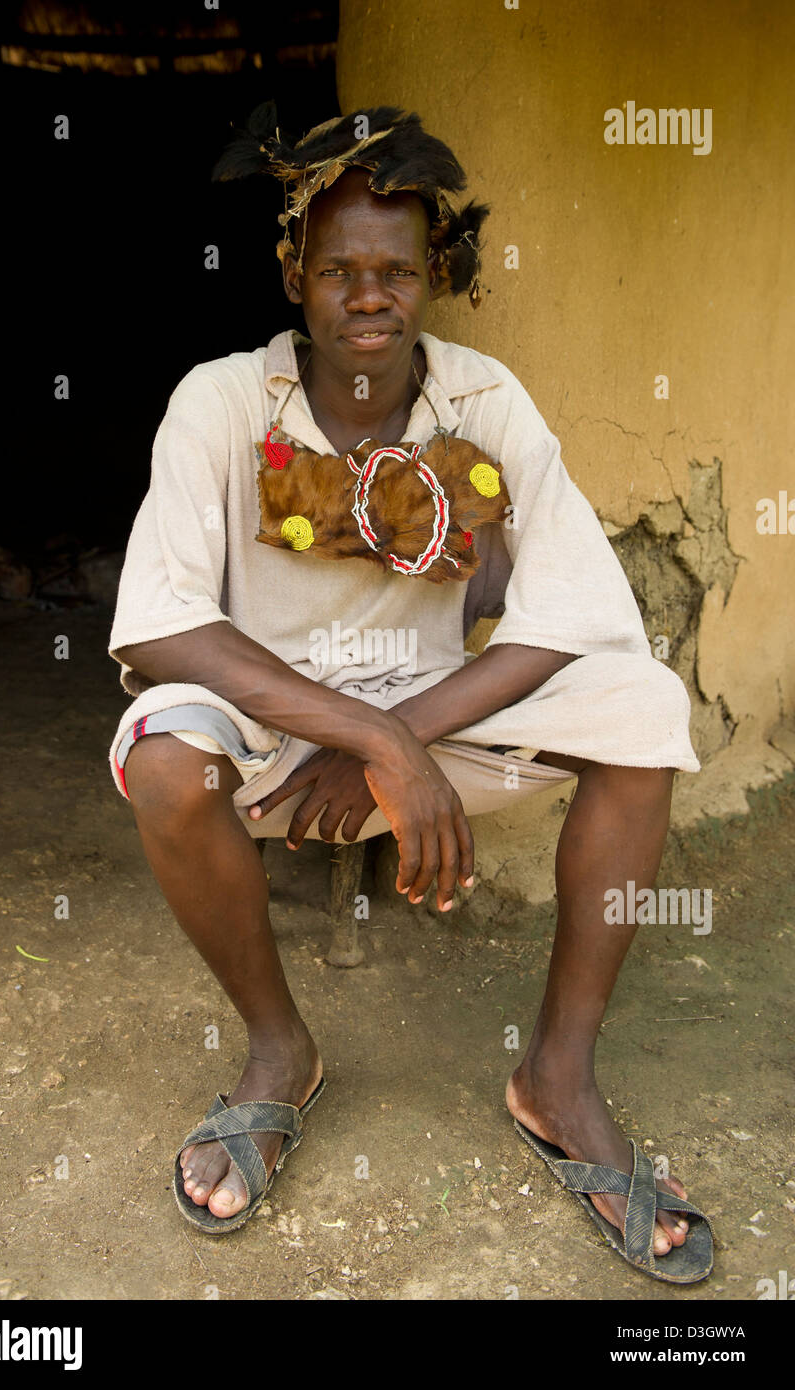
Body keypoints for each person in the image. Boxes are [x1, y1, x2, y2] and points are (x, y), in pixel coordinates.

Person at [106, 106, 713, 1281]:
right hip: (274, 740)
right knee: (169, 762)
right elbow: (166, 625)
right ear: (293, 273)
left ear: (436, 275)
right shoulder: (221, 402)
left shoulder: (485, 402)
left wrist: (401, 736)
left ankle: (557, 1082)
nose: (368, 296)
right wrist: (369, 735)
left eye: (396, 269)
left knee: (643, 707)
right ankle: (281, 1051)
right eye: (339, 269)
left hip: (437, 729)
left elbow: (571, 615)